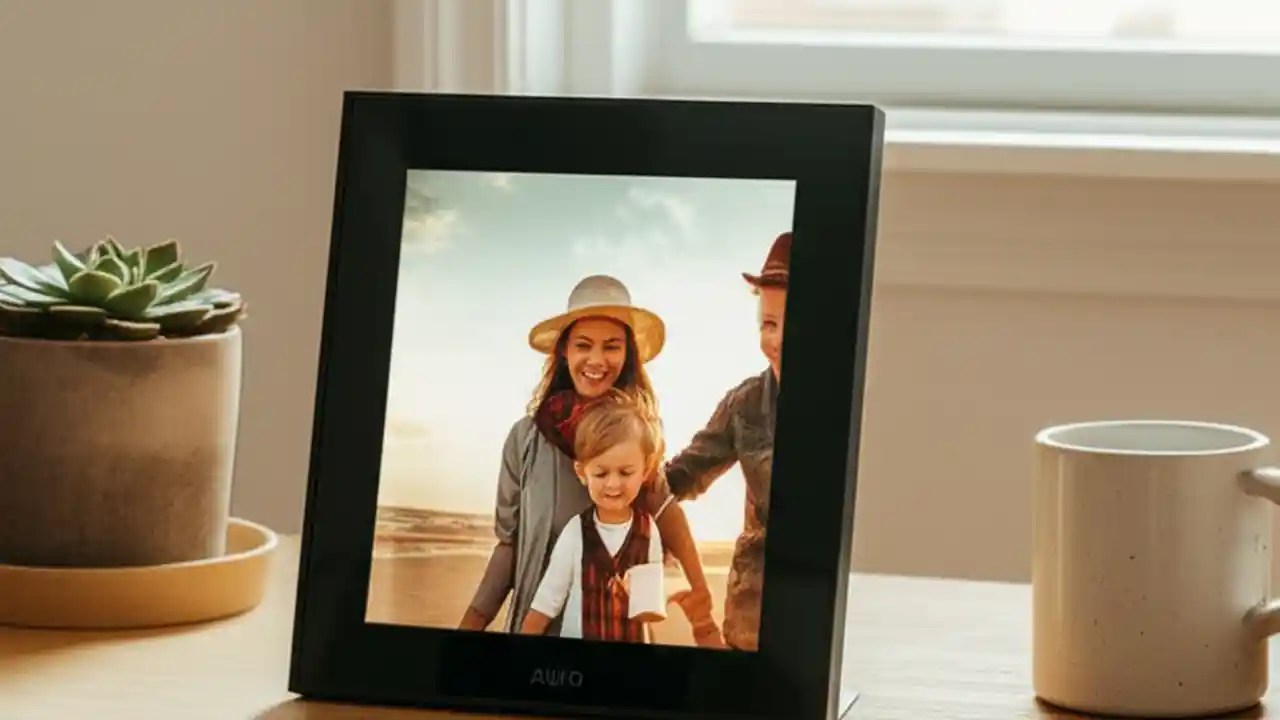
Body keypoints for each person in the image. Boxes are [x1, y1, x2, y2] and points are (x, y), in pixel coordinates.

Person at [459, 274, 719, 642]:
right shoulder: (525, 439)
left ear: (627, 354)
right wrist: (468, 631)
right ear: (564, 352)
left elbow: (666, 511)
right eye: (584, 345)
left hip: (617, 638)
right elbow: (510, 546)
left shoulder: (637, 435)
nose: (596, 359)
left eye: (611, 346)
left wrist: (700, 591)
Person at [657, 231, 791, 651]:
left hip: (826, 610)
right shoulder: (744, 404)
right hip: (752, 612)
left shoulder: (853, 405)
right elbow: (681, 475)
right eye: (768, 324)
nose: (779, 340)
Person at [520, 389, 666, 642]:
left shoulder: (648, 529)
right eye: (601, 474)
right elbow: (547, 602)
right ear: (581, 472)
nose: (613, 484)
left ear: (646, 470)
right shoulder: (576, 532)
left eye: (625, 472)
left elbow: (649, 610)